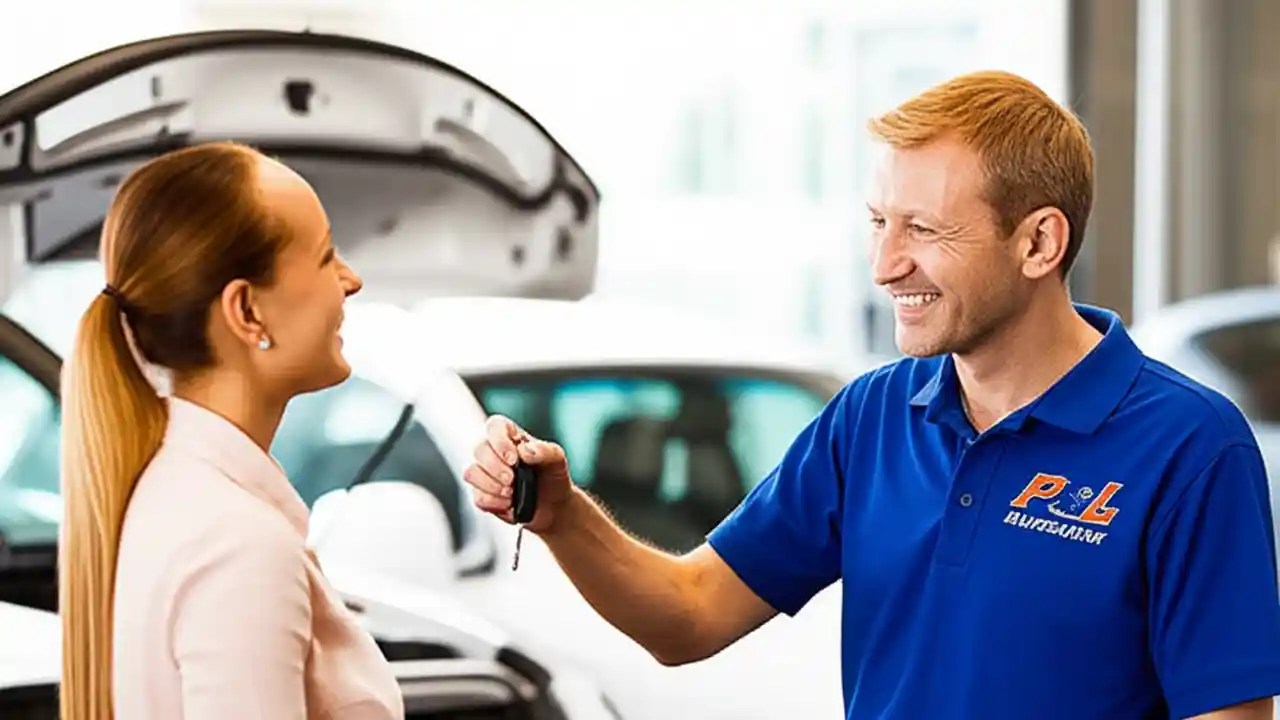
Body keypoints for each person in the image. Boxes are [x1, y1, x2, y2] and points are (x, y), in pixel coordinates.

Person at [463, 70, 1280, 719]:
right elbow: (689, 615)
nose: (885, 265)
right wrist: (562, 516)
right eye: (879, 221)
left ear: (1038, 242)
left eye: (923, 229)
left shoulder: (1190, 446)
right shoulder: (873, 417)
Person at [59, 142, 404, 720]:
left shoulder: (169, 494)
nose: (352, 279)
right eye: (326, 256)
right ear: (247, 312)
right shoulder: (242, 547)